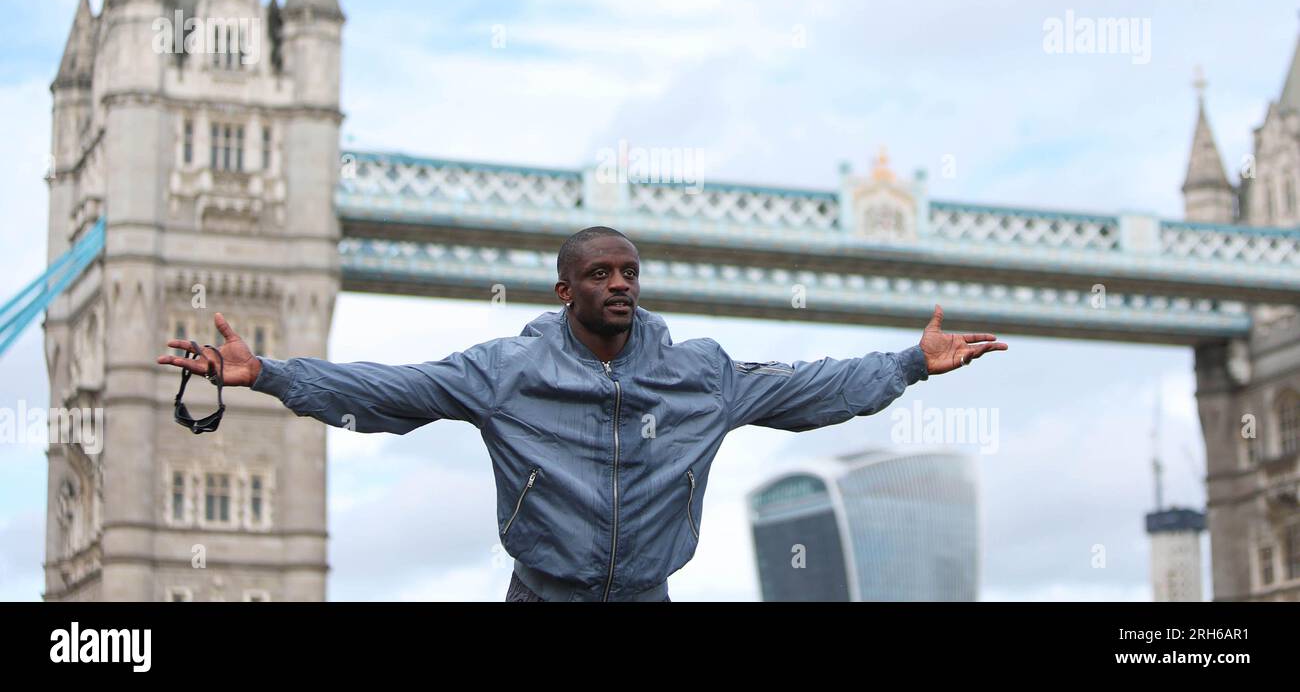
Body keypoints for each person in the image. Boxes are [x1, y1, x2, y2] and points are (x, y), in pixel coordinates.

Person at [156, 226, 1008, 601]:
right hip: (541, 596)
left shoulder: (699, 376)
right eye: (600, 274)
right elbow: (389, 394)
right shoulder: (505, 373)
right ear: (565, 291)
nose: (619, 284)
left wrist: (907, 365)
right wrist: (269, 373)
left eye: (630, 272)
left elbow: (809, 391)